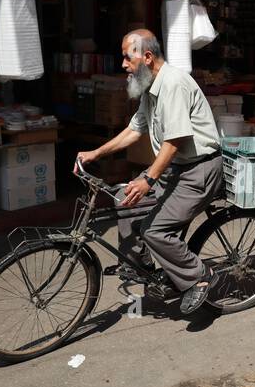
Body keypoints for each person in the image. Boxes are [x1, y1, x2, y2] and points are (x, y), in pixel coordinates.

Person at [77, 29, 224, 316]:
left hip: (199, 171)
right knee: (125, 199)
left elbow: (175, 140)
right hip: (177, 168)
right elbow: (135, 129)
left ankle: (200, 277)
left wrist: (148, 178)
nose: (123, 65)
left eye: (126, 57)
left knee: (154, 230)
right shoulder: (150, 87)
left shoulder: (173, 84)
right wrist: (95, 153)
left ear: (146, 57)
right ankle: (142, 269)